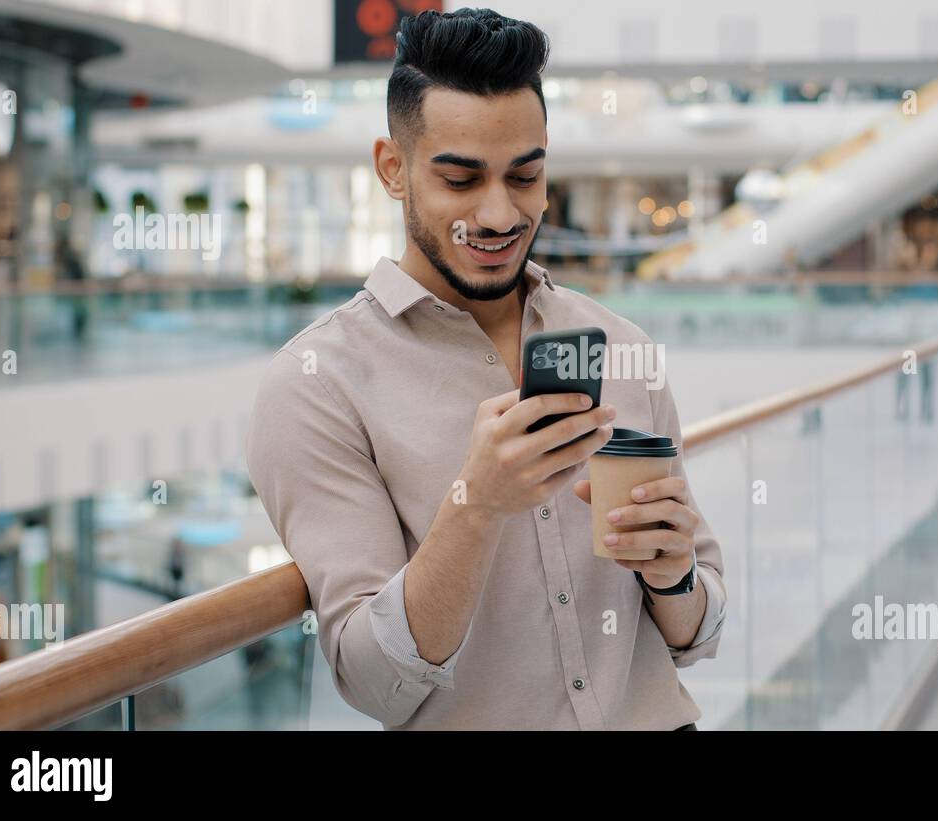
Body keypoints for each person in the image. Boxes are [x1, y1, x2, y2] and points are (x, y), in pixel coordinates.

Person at [245, 8, 725, 730]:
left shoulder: (618, 343)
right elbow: (372, 678)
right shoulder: (317, 385)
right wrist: (477, 503)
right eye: (461, 180)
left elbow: (700, 631)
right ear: (392, 169)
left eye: (524, 176)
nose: (499, 213)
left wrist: (673, 574)